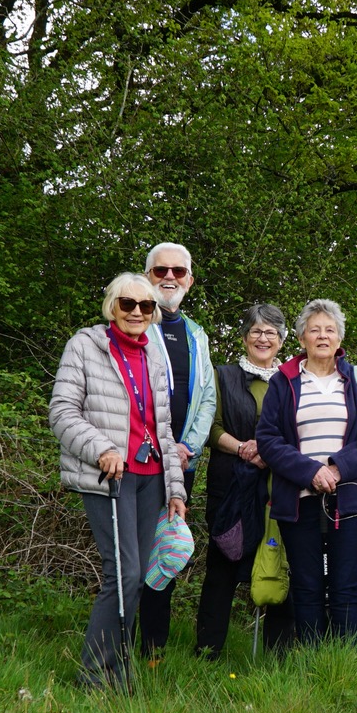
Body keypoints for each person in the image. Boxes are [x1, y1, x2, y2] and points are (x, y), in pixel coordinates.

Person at [49, 273, 187, 690]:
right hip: (111, 476)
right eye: (128, 304)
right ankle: (94, 674)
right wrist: (100, 449)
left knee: (140, 575)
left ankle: (117, 671)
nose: (137, 313)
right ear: (113, 306)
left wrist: (176, 489)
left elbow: (163, 429)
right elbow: (62, 413)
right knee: (123, 575)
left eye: (146, 307)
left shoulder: (155, 356)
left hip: (151, 479)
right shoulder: (86, 346)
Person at [255, 299, 357, 643]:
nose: (322, 335)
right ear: (301, 338)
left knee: (346, 587)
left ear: (339, 338)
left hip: (351, 499)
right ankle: (312, 669)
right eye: (314, 329)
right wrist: (310, 472)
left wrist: (336, 467)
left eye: (329, 329)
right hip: (297, 498)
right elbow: (268, 439)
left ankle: (342, 669)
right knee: (307, 585)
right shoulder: (283, 381)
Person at [194, 304, 295, 659]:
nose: (263, 338)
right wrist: (244, 449)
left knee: (278, 561)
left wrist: (272, 452)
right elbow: (211, 426)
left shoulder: (293, 382)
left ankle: (278, 656)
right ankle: (208, 651)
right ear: (245, 337)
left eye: (271, 332)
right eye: (256, 331)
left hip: (278, 488)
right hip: (231, 487)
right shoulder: (221, 376)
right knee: (222, 564)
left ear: (282, 340)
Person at [137, 242, 216, 656]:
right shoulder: (134, 324)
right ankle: (119, 643)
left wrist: (187, 447)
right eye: (160, 270)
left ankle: (153, 650)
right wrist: (161, 446)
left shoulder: (196, 334)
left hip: (181, 463)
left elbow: (207, 399)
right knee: (133, 553)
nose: (170, 277)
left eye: (178, 271)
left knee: (167, 550)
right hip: (141, 459)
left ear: (190, 279)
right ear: (148, 275)